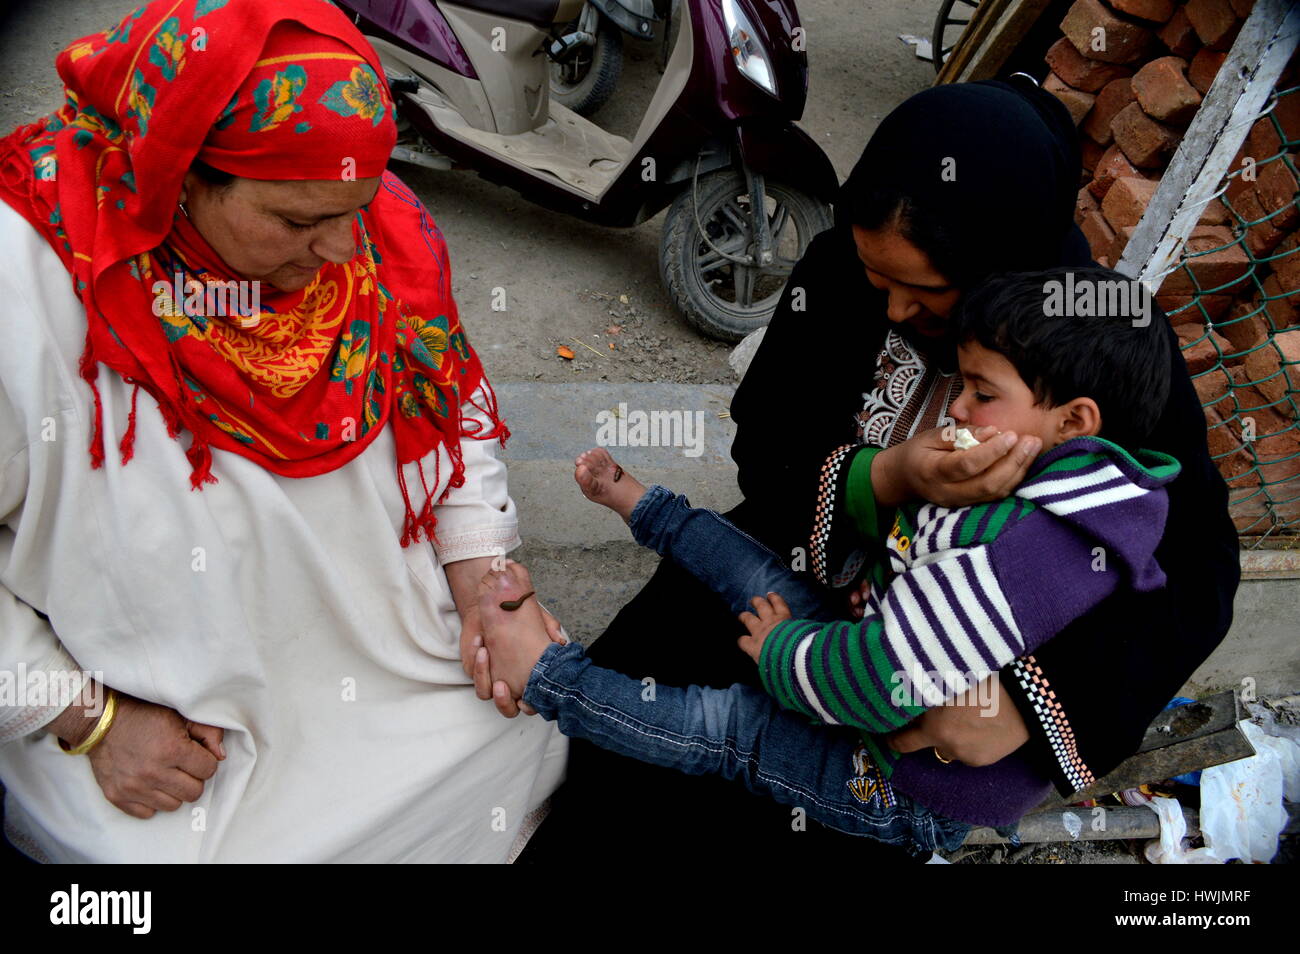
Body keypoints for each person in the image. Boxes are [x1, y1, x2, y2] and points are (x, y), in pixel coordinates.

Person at [510, 78, 1241, 863]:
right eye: (875, 278)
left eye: (923, 290)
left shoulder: (1104, 348)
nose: (890, 310)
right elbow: (768, 440)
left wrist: (1022, 710)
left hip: (917, 701)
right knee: (632, 744)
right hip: (792, 579)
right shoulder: (841, 271)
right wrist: (885, 479)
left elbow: (1197, 574)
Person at [0, 0, 564, 862]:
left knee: (531, 733)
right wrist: (84, 717)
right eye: (298, 223)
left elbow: (449, 416)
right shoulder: (24, 286)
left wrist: (486, 582)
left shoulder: (367, 220)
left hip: (387, 657)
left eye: (359, 205)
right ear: (176, 171)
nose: (345, 248)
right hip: (172, 726)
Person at [474, 267, 1182, 854]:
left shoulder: (1044, 546)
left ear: (1074, 421)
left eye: (981, 393)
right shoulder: (1048, 484)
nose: (958, 408)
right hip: (882, 651)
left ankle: (548, 677)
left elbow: (883, 684)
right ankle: (650, 508)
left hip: (898, 776)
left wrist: (786, 654)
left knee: (726, 726)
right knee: (762, 573)